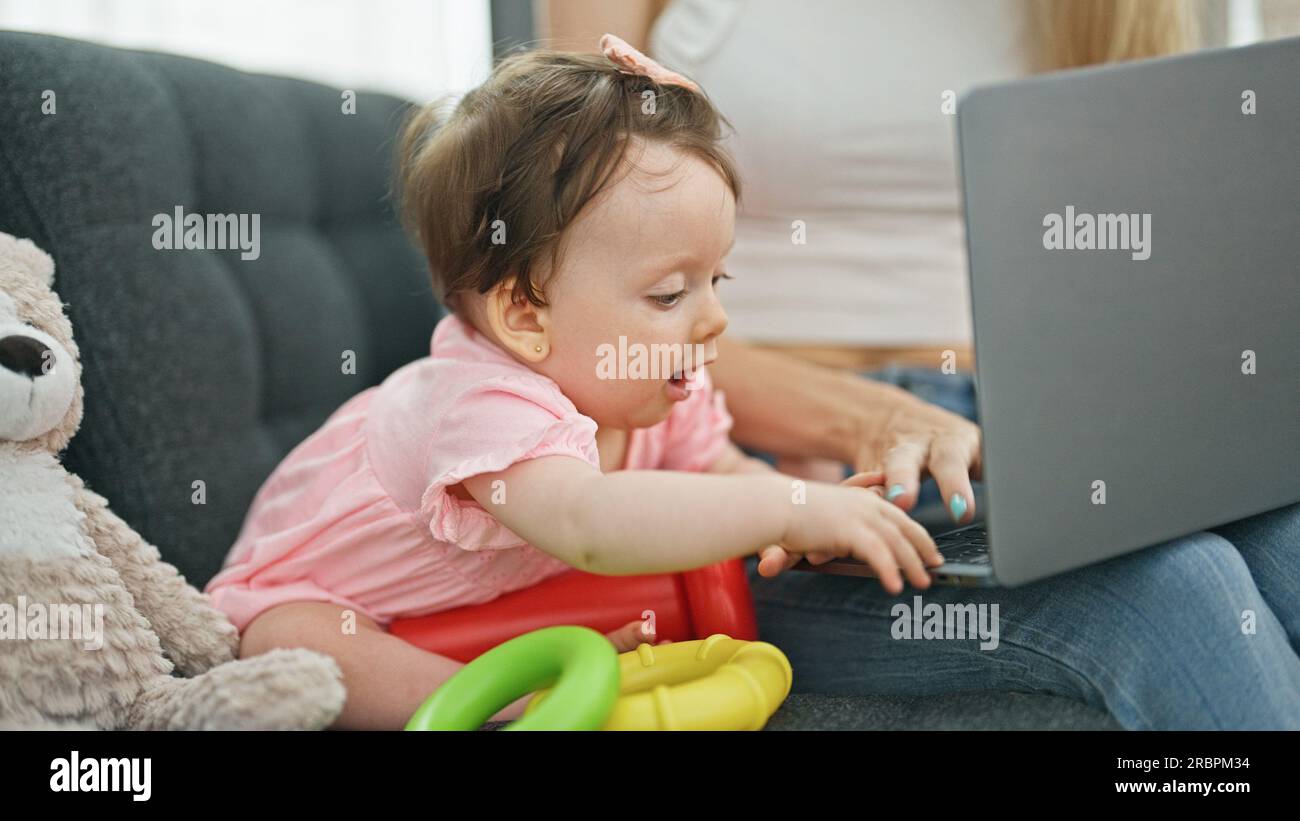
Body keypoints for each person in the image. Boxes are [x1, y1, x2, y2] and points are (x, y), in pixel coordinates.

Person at [533, 0, 1300, 728]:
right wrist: (856, 427)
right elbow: (567, 303)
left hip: (1014, 440)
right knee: (1175, 592)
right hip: (761, 458)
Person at [206, 40, 944, 730]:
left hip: (482, 598)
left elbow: (717, 476)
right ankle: (498, 706)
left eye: (716, 279)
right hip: (312, 603)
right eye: (668, 295)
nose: (716, 319)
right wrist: (785, 507)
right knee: (294, 643)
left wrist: (805, 515)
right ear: (526, 313)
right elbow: (588, 522)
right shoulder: (473, 403)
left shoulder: (659, 393)